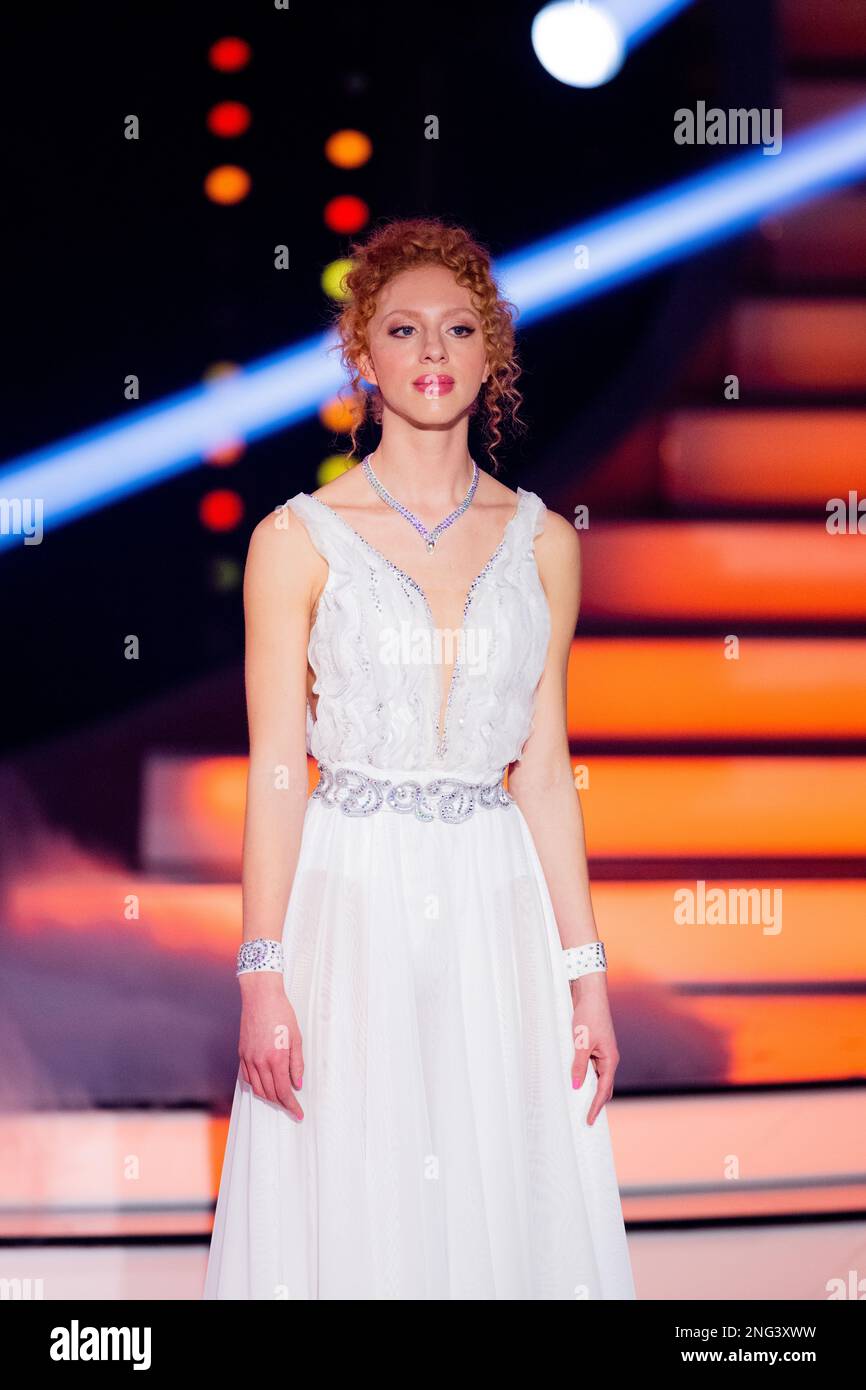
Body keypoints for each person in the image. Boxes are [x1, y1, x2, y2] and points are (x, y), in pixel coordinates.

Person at [203, 216, 636, 1300]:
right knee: (357, 1198)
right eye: (403, 328)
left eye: (456, 328)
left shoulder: (543, 540)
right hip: (349, 903)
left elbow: (542, 768)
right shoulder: (294, 540)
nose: (431, 351)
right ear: (364, 356)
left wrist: (585, 976)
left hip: (496, 910)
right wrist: (262, 973)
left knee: (503, 1198)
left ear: (492, 354)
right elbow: (274, 772)